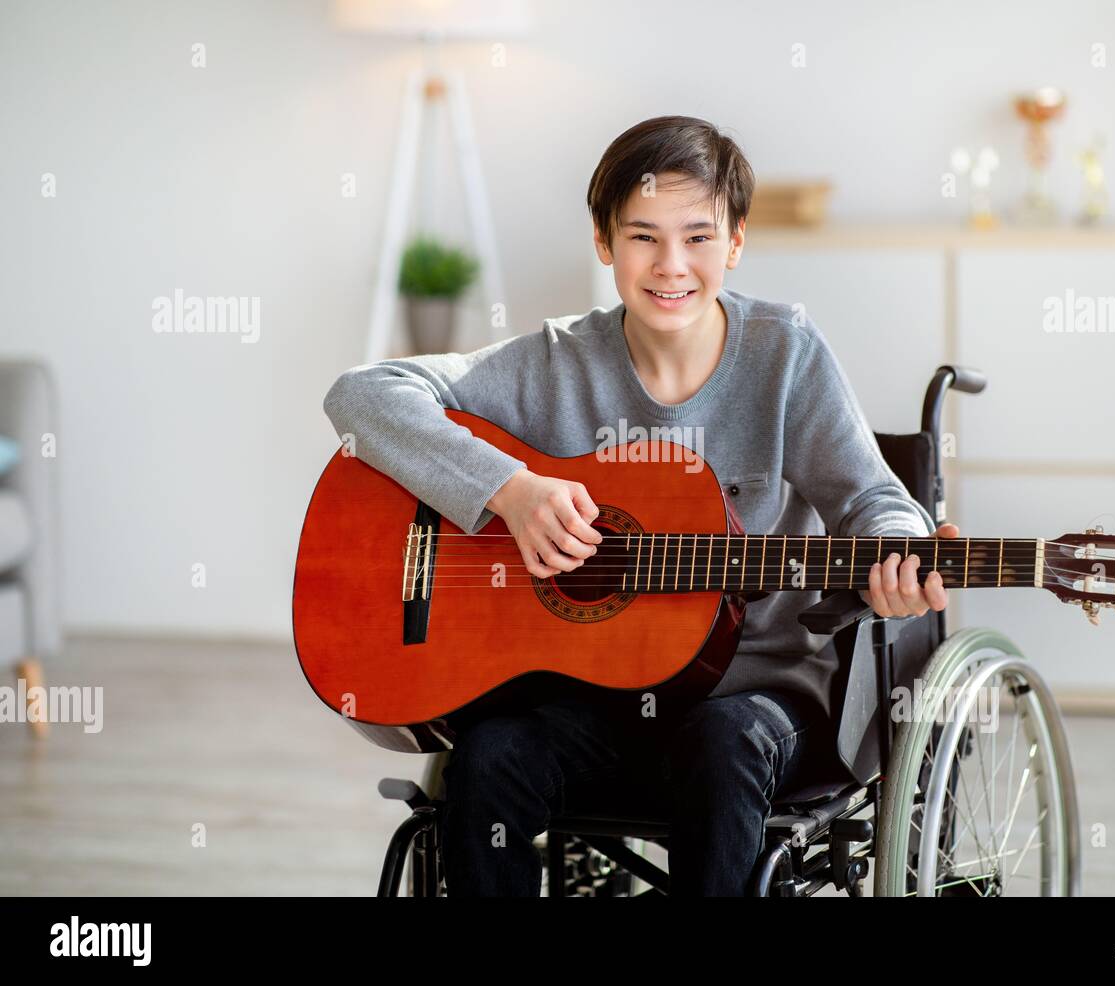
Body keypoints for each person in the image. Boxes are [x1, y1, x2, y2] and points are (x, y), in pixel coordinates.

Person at [323, 115, 957, 896]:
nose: (671, 266)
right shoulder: (557, 362)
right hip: (587, 699)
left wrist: (897, 550)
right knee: (487, 758)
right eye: (642, 237)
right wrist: (509, 492)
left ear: (735, 243)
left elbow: (871, 500)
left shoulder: (784, 352)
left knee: (724, 745)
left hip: (755, 697)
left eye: (697, 237)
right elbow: (362, 393)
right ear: (603, 242)